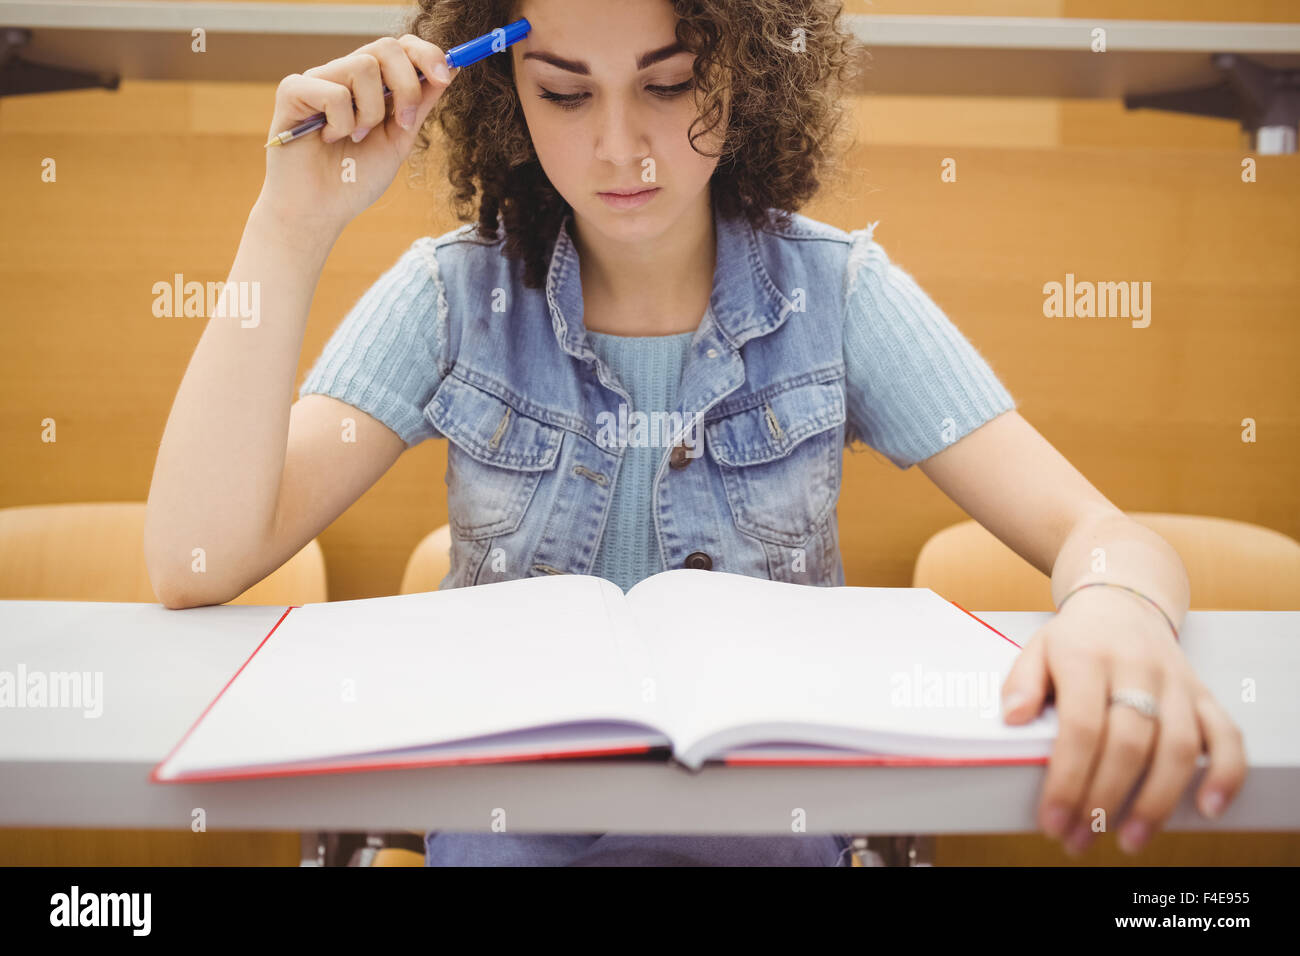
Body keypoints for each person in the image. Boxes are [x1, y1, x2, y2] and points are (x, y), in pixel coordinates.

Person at [145, 0, 1247, 866]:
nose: (622, 147)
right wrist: (288, 227)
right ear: (503, 96)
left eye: (669, 84)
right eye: (564, 94)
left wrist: (1115, 605)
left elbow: (1103, 532)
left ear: (747, 69)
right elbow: (196, 559)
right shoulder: (455, 293)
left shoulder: (838, 294)